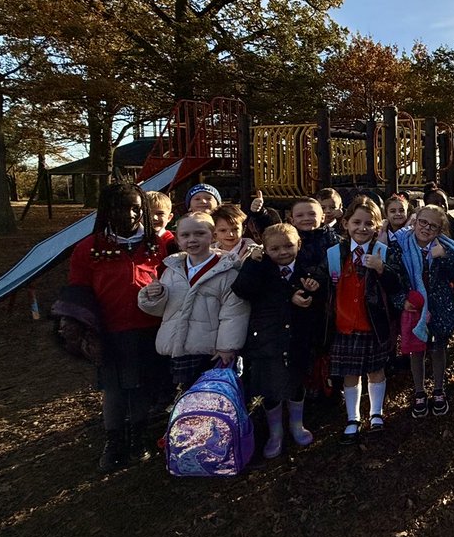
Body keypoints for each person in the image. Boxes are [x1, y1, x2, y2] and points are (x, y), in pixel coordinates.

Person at [66, 182, 164, 472]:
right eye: (121, 207)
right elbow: (78, 291)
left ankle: (138, 437)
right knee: (115, 388)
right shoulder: (88, 248)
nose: (130, 214)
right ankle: (114, 440)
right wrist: (82, 328)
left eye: (136, 207)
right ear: (106, 210)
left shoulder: (159, 243)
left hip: (150, 328)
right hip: (110, 329)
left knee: (142, 385)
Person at [231, 223, 325, 458]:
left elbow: (320, 300)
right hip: (268, 338)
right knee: (271, 389)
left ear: (299, 245)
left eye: (288, 246)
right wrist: (252, 261)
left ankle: (297, 425)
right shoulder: (260, 268)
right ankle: (276, 432)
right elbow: (242, 289)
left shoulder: (306, 268)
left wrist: (313, 290)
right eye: (275, 249)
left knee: (296, 383)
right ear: (265, 249)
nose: (283, 252)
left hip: (298, 338)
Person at [322, 196, 408, 443]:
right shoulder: (334, 253)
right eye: (356, 222)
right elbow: (323, 281)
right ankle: (352, 417)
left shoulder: (383, 252)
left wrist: (382, 269)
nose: (362, 228)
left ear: (377, 225)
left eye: (369, 223)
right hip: (344, 324)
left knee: (376, 370)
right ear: (346, 223)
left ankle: (376, 412)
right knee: (350, 373)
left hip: (374, 323)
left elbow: (397, 285)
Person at [137, 212, 249, 394]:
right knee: (181, 399)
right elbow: (163, 310)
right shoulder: (172, 270)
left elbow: (234, 313)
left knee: (206, 398)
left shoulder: (227, 271)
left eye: (199, 234)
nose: (192, 240)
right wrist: (155, 295)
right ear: (178, 240)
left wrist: (227, 345)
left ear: (213, 236)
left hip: (209, 349)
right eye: (185, 235)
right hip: (176, 347)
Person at [391, 204, 454, 417]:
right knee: (417, 349)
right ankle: (419, 391)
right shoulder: (401, 246)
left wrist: (444, 255)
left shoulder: (445, 246)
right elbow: (393, 276)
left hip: (441, 307)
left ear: (439, 230)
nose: (426, 228)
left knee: (438, 348)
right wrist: (401, 300)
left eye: (433, 226)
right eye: (423, 222)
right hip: (415, 308)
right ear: (415, 222)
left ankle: (439, 389)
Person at [144, 191, 176, 256]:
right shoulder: (135, 240)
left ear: (169, 217)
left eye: (160, 213)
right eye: (148, 213)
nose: (154, 218)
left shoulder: (172, 242)